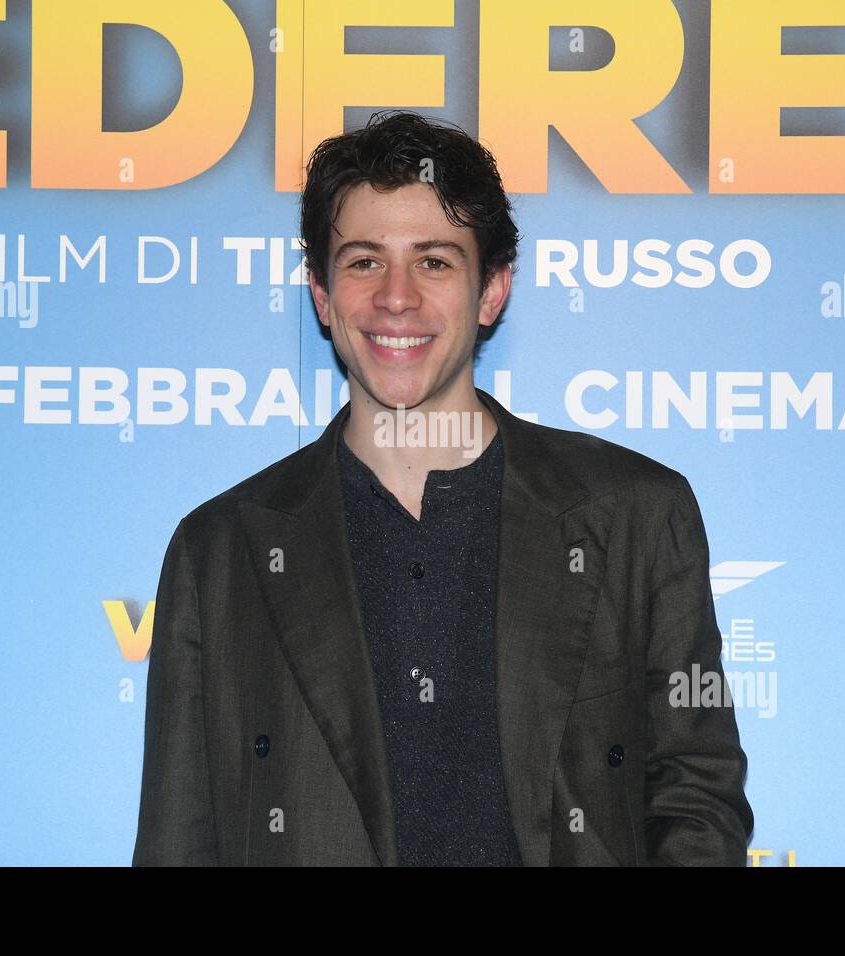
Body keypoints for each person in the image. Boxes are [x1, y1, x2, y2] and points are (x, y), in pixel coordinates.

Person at [132, 110, 753, 866]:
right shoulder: (220, 551)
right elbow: (177, 841)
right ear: (322, 297)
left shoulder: (636, 517)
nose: (396, 297)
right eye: (363, 261)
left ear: (492, 291)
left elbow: (699, 797)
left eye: (434, 261)